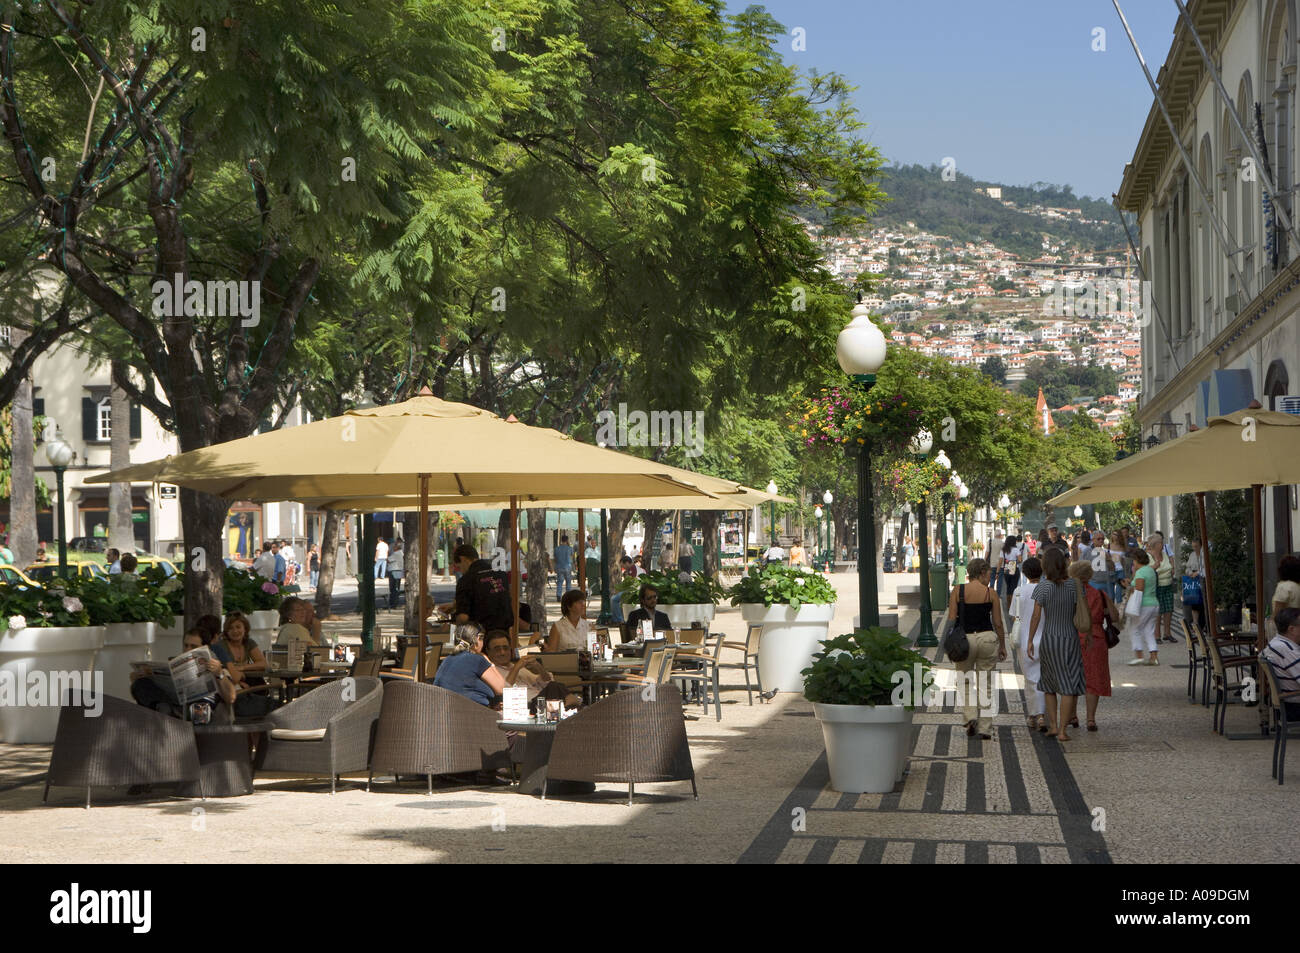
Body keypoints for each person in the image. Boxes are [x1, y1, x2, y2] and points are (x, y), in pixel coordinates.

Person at [1027, 547, 1086, 741]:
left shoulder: (1042, 587)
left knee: (1049, 684)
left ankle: (1052, 726)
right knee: (1068, 684)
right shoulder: (1075, 585)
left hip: (1049, 638)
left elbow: (1036, 616)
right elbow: (1083, 611)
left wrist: (1029, 640)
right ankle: (1062, 730)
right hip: (1070, 637)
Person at [945, 558, 1006, 740]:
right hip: (987, 639)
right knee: (985, 684)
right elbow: (998, 623)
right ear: (981, 573)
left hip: (965, 640)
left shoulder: (958, 590)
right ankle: (985, 728)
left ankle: (970, 715)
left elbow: (951, 617)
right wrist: (1002, 645)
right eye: (988, 574)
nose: (989, 578)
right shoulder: (991, 593)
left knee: (964, 680)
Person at [131, 628, 237, 715]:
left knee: (198, 706)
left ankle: (166, 713)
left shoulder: (216, 665)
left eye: (193, 646)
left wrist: (219, 674)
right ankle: (164, 710)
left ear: (205, 648)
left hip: (199, 706)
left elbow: (231, 697)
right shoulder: (177, 663)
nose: (187, 649)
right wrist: (143, 676)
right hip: (175, 701)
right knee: (140, 684)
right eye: (186, 645)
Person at [1070, 560, 1116, 732]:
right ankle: (1090, 719)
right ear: (1089, 575)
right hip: (1096, 637)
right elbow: (1115, 617)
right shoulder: (1099, 593)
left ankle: (1072, 715)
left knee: (1073, 677)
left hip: (1075, 637)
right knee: (1094, 678)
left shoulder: (1070, 594)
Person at [483, 630, 579, 711]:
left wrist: (539, 668)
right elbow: (503, 691)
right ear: (488, 651)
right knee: (554, 687)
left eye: (505, 648)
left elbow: (547, 682)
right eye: (497, 649)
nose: (502, 652)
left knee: (554, 686)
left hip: (544, 703)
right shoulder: (490, 671)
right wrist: (516, 668)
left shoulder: (521, 668)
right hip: (525, 707)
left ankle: (569, 707)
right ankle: (570, 705)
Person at [437, 544, 515, 634]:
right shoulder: (501, 574)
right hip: (505, 632)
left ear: (463, 559)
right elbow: (490, 597)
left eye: (459, 567)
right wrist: (455, 605)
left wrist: (454, 620)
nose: (461, 571)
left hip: (482, 634)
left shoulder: (466, 580)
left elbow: (463, 618)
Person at [433, 622, 507, 708]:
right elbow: (501, 688)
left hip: (446, 712)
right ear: (478, 638)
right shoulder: (476, 659)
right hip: (473, 714)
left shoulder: (447, 660)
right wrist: (489, 662)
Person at [1011, 556, 1046, 731]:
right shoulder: (1047, 590)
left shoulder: (1019, 591)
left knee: (1030, 678)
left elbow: (1013, 615)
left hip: (1025, 639)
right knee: (1041, 677)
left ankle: (1037, 715)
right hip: (1045, 638)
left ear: (1024, 572)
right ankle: (1037, 714)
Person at [1262, 607, 1300, 721]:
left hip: (1287, 703)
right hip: (1294, 707)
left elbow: (1260, 655)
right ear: (1292, 629)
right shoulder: (1288, 650)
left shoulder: (1275, 643)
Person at [1124, 548, 1160, 666]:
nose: (1132, 563)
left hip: (1143, 605)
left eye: (1133, 560)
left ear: (1137, 560)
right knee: (1149, 630)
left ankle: (1139, 656)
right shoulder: (1150, 570)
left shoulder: (1140, 573)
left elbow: (1139, 589)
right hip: (1154, 603)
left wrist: (1129, 587)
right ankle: (1154, 657)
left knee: (1134, 628)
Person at [1147, 536, 1176, 644]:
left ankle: (1167, 634)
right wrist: (1155, 566)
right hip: (1157, 586)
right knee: (1158, 612)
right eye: (1160, 543)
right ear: (1155, 545)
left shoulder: (1164, 554)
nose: (1162, 545)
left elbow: (1168, 566)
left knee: (1168, 610)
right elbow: (1147, 570)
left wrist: (1172, 569)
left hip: (1168, 585)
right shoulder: (1149, 556)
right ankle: (1157, 635)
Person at [1270, 555, 1300, 629]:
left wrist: (1270, 626)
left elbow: (1278, 612)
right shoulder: (1297, 586)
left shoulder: (1283, 587)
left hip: (1286, 629)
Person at [1182, 537, 1205, 631]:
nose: (1195, 549)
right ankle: (1195, 623)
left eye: (1196, 546)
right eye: (1193, 547)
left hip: (1202, 579)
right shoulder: (1192, 555)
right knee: (1194, 601)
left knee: (1202, 602)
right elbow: (1187, 567)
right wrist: (1190, 573)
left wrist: (1198, 572)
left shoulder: (1204, 554)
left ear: (1200, 545)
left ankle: (1203, 624)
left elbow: (1206, 568)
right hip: (1193, 579)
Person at [998, 535, 1021, 609]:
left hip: (1007, 568)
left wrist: (997, 572)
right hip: (1014, 568)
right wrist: (1016, 560)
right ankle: (1013, 606)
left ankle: (1008, 605)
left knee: (1008, 588)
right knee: (1013, 588)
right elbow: (1020, 560)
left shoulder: (1003, 550)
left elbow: (1000, 562)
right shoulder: (1016, 550)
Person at [553, 534, 574, 602]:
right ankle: (568, 596)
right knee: (568, 582)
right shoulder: (570, 548)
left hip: (559, 566)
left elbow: (555, 558)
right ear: (567, 540)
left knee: (559, 582)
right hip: (567, 566)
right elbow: (572, 556)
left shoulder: (556, 548)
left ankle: (559, 595)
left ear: (561, 540)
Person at [387, 539, 404, 608]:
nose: (393, 548)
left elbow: (388, 560)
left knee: (393, 588)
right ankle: (394, 602)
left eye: (394, 546)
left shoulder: (396, 553)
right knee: (396, 588)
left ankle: (393, 603)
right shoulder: (401, 553)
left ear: (397, 547)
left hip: (394, 571)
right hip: (398, 571)